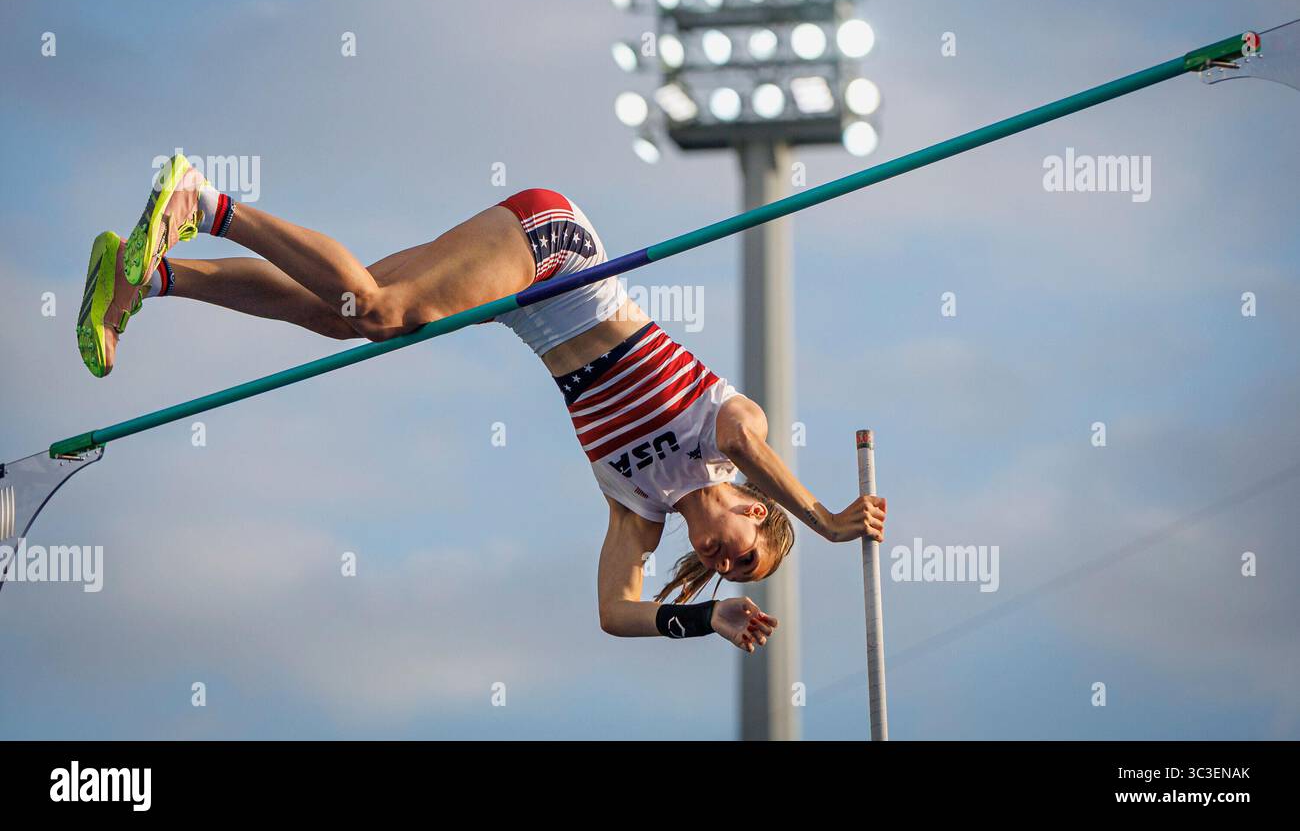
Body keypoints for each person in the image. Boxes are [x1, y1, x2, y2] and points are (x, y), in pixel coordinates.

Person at [77, 155, 887, 651]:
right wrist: (821, 517)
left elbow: (615, 612)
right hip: (558, 255)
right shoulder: (730, 432)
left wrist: (703, 620)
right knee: (387, 311)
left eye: (733, 573)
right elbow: (753, 449)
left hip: (522, 305)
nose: (727, 564)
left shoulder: (639, 510)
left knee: (347, 313)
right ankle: (203, 202)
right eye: (747, 552)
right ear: (749, 507)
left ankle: (145, 277)